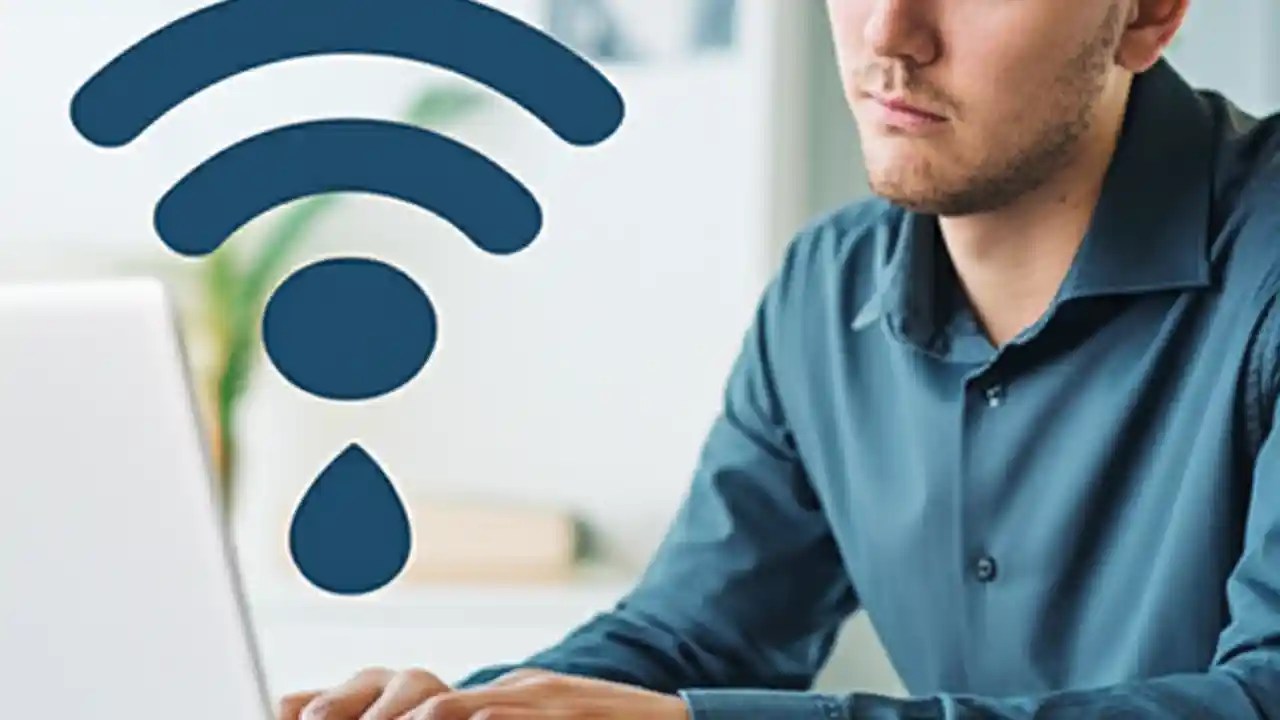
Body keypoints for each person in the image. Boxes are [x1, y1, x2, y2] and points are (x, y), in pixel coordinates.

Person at [279, 0, 1280, 717]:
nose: (889, 34)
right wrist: (462, 709)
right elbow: (694, 637)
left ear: (1149, 13)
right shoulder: (827, 287)